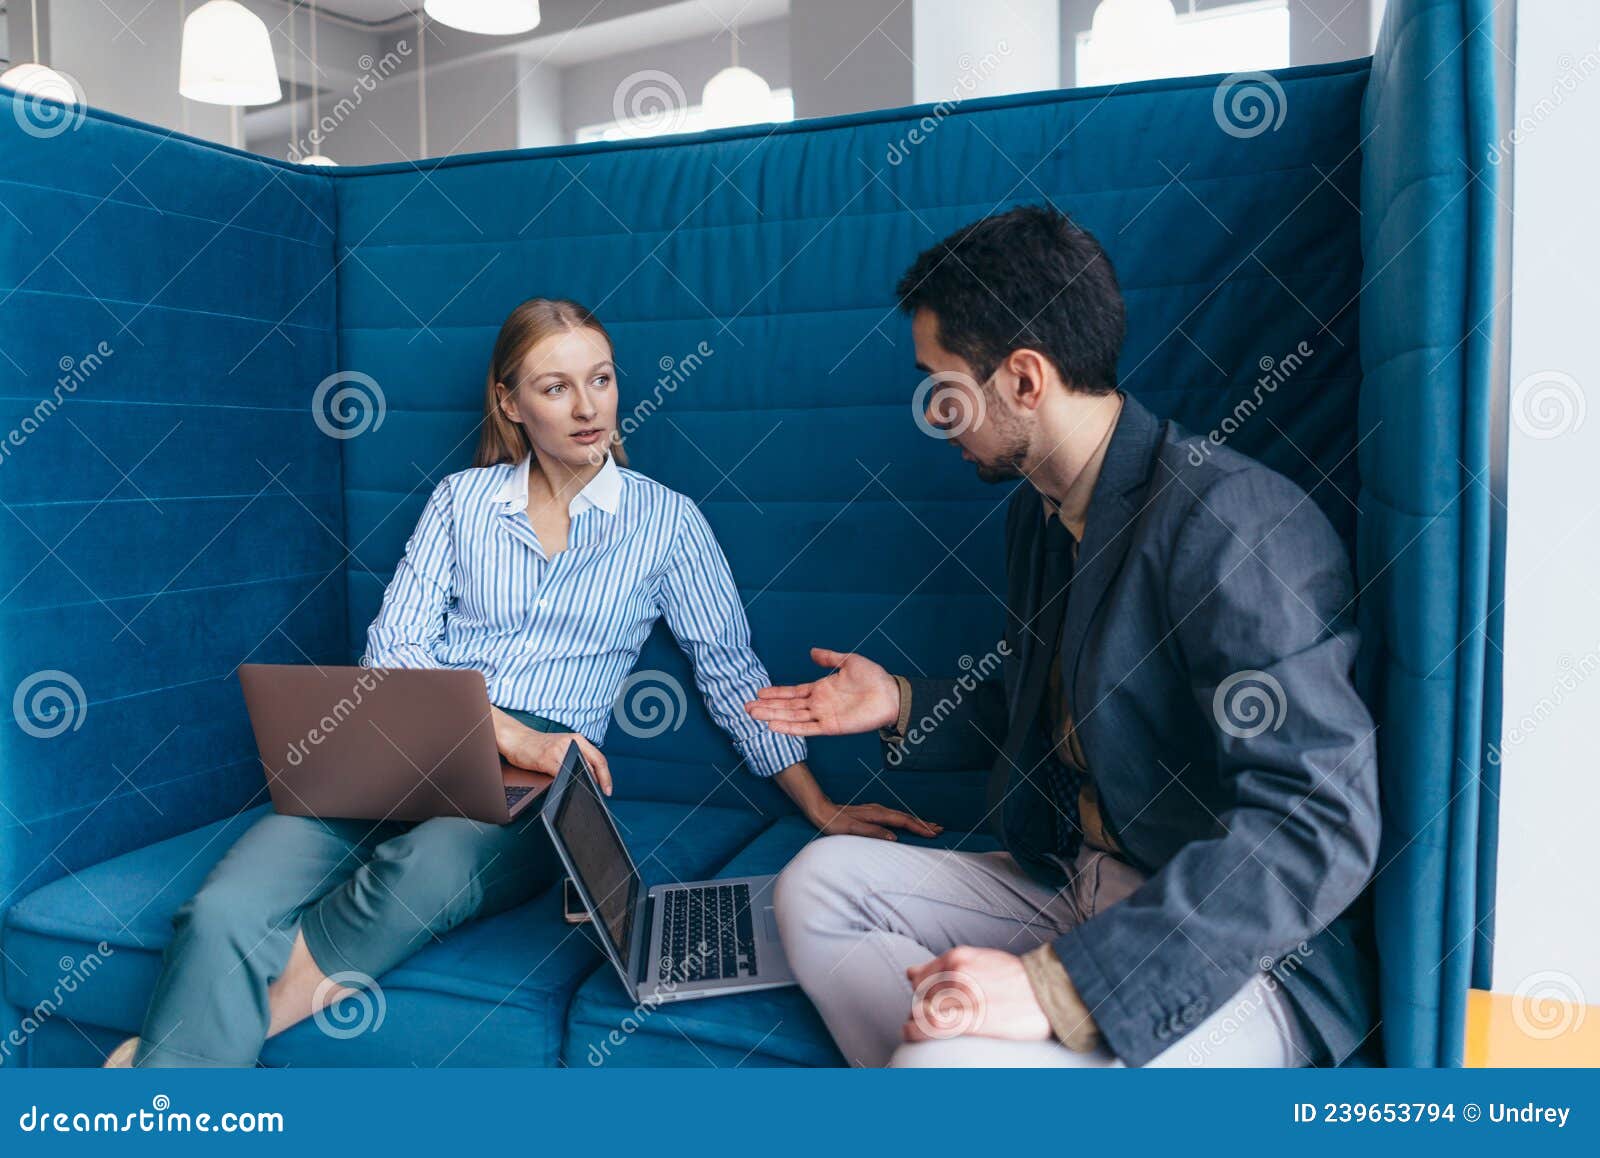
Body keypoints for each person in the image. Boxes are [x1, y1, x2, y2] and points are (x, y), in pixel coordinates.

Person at [107, 297, 935, 1068]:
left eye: (600, 379)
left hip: (542, 788)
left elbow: (729, 673)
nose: (588, 407)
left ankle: (169, 1067)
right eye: (555, 387)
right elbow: (392, 652)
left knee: (426, 869)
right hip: (403, 736)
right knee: (221, 909)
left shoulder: (668, 523)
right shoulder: (461, 501)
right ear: (510, 403)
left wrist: (819, 806)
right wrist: (507, 732)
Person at [747, 206, 1381, 1068]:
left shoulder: (1230, 522)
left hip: (1231, 956)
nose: (931, 412)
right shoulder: (1041, 515)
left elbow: (1318, 820)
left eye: (940, 385)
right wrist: (899, 701)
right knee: (819, 885)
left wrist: (1063, 988)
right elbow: (1069, 711)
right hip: (1080, 884)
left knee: (945, 1062)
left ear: (1023, 379)